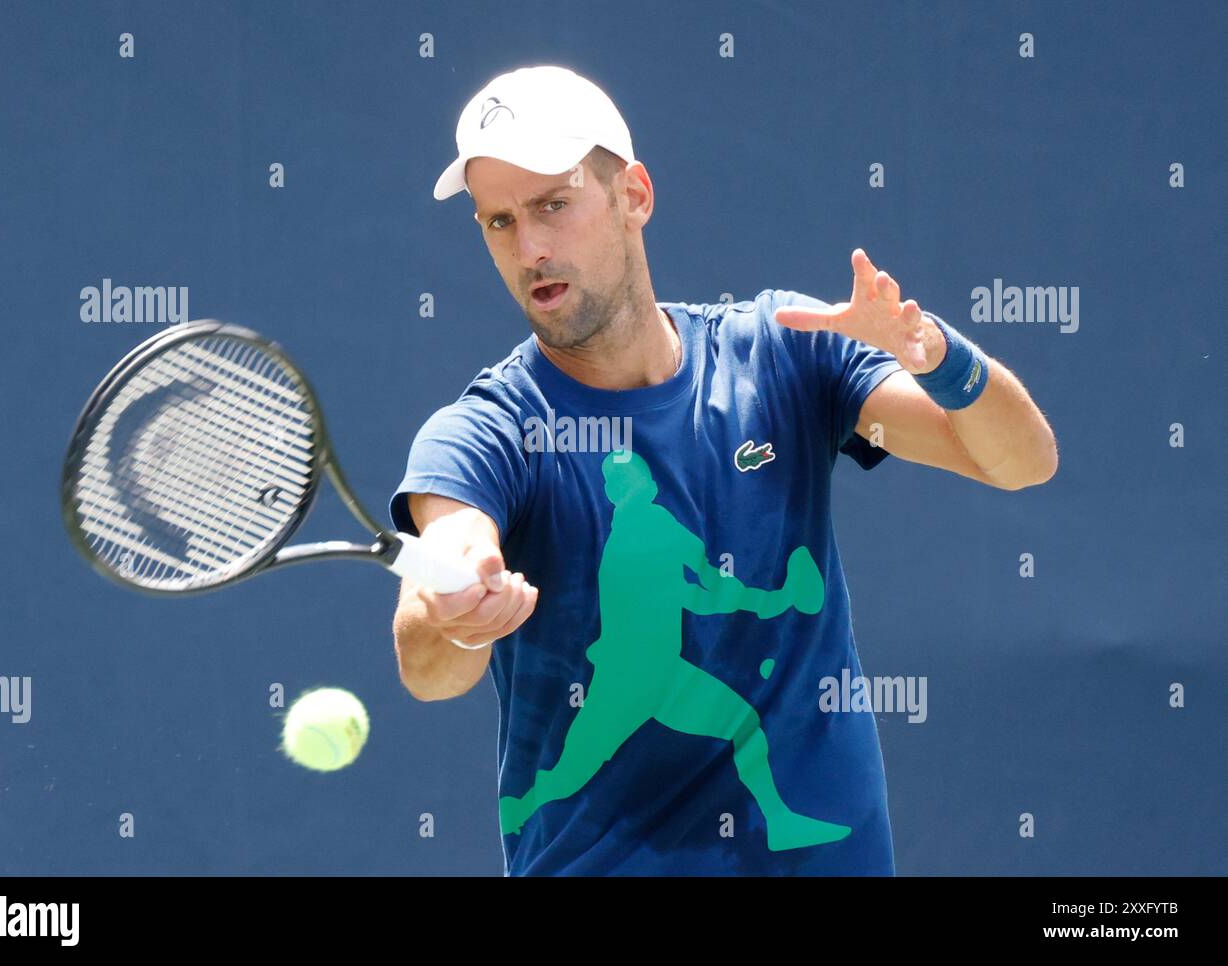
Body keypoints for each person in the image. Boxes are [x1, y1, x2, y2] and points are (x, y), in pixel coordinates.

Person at [388, 65, 1057, 875]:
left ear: (634, 195)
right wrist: (460, 606)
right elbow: (432, 652)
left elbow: (1020, 461)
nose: (529, 249)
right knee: (585, 757)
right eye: (498, 221)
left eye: (552, 205)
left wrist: (939, 358)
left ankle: (782, 819)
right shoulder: (488, 430)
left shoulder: (784, 353)